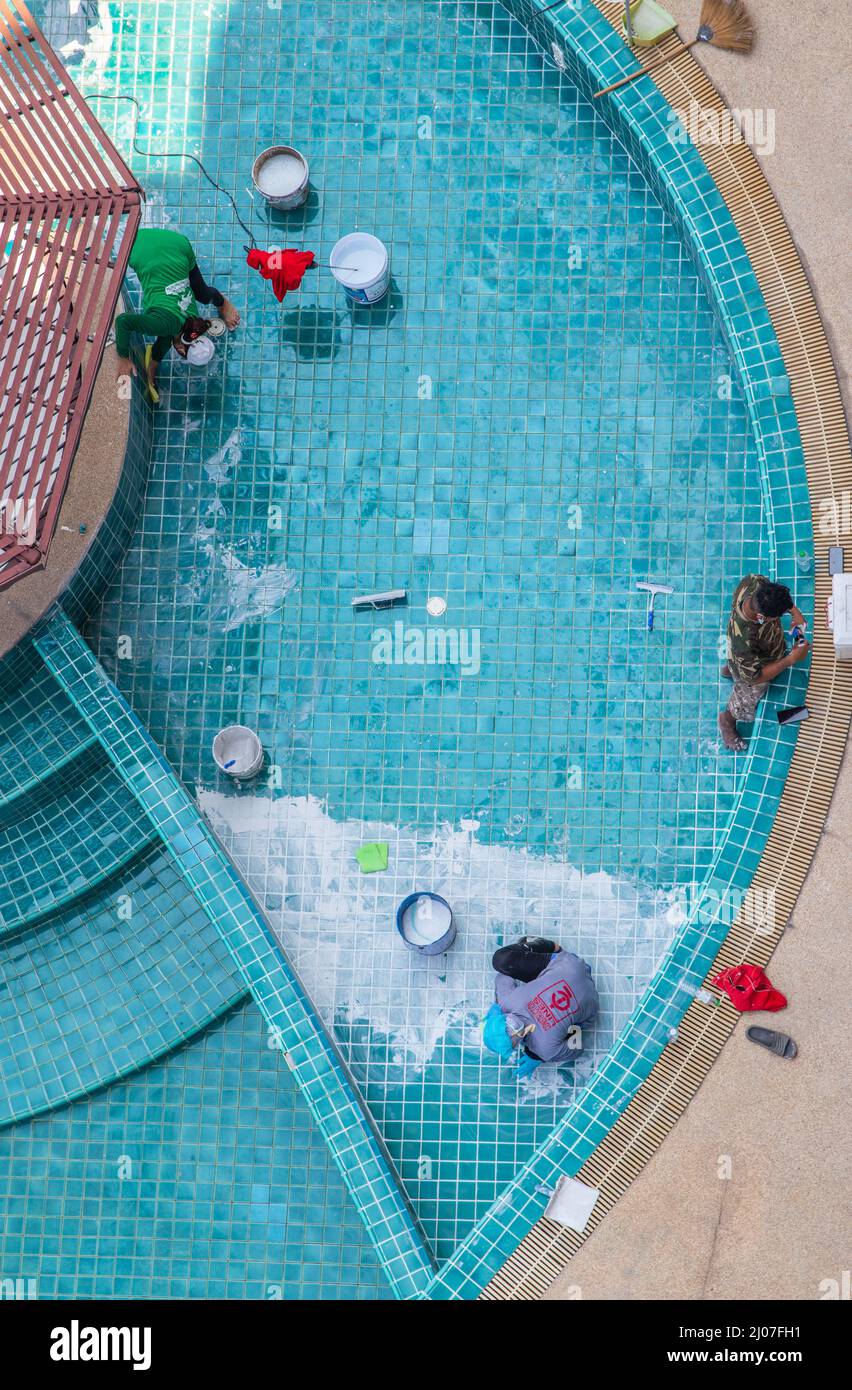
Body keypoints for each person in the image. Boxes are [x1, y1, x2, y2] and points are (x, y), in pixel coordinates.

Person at [114, 228, 240, 399]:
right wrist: (123, 356)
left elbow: (170, 331)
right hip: (136, 243)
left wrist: (154, 363)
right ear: (180, 349)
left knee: (202, 295)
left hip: (178, 243)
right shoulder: (164, 326)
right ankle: (224, 304)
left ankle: (221, 301)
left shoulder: (193, 320)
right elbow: (123, 322)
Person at [483, 936, 599, 1078]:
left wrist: (538, 1056)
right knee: (502, 961)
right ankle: (550, 948)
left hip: (591, 1000)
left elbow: (578, 1048)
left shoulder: (544, 1049)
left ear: (514, 1045)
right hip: (571, 965)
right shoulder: (506, 1002)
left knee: (577, 1025)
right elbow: (502, 976)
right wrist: (497, 1003)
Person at [719, 575, 810, 752]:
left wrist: (794, 611)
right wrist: (791, 659)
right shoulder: (743, 644)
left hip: (758, 650)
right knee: (749, 693)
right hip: (751, 668)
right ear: (761, 617)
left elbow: (775, 593)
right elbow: (756, 677)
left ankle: (732, 669)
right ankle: (727, 721)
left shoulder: (755, 583)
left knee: (740, 666)